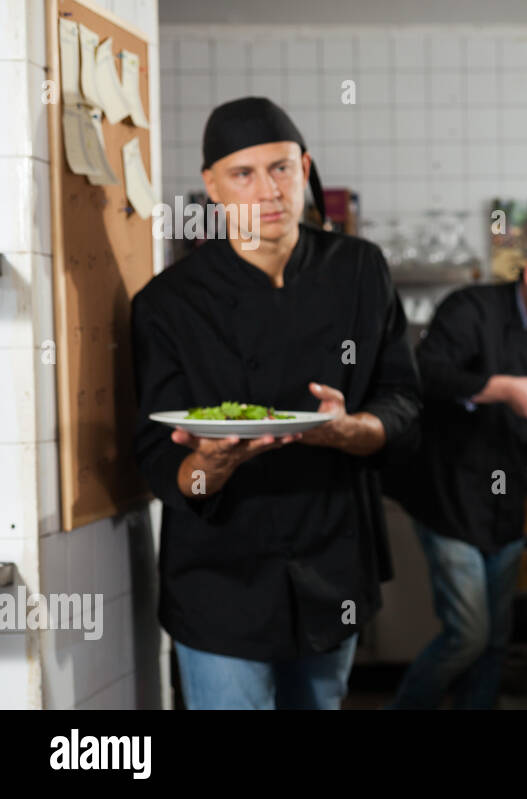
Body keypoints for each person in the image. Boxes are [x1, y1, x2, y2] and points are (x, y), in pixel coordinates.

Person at [131, 96, 421, 709]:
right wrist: (213, 464)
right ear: (212, 187)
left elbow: (404, 401)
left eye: (283, 168)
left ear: (307, 167)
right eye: (244, 174)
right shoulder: (167, 303)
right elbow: (163, 463)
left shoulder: (361, 270)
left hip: (333, 557)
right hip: (220, 575)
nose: (269, 190)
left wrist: (352, 429)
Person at [385, 240, 527, 709]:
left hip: (503, 505)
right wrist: (499, 387)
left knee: (496, 641)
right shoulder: (470, 307)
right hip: (446, 496)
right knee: (468, 636)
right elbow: (425, 374)